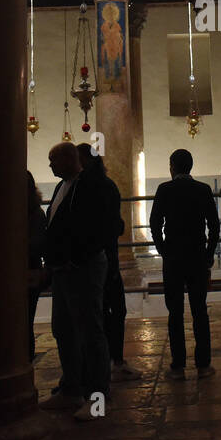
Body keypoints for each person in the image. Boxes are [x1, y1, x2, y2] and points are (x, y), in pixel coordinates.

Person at [43, 142, 112, 422]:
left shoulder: (90, 186)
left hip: (82, 269)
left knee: (89, 331)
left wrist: (77, 259)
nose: (50, 165)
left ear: (70, 159)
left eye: (53, 159)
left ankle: (98, 398)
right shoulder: (62, 187)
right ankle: (71, 388)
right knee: (63, 329)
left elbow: (98, 227)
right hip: (63, 270)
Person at [150, 148, 220, 379]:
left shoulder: (164, 190)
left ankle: (178, 366)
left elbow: (155, 223)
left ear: (172, 166)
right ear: (190, 166)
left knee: (175, 312)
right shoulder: (203, 190)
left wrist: (162, 249)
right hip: (198, 256)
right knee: (200, 310)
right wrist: (209, 253)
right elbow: (214, 225)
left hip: (173, 258)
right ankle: (203, 364)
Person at [76, 143, 140, 380]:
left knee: (96, 312)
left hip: (88, 260)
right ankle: (113, 362)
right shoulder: (105, 185)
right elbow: (116, 225)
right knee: (113, 310)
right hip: (105, 258)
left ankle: (95, 367)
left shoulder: (78, 187)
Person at [27, 172, 49, 362]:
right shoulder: (36, 212)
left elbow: (35, 245)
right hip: (30, 270)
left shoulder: (32, 214)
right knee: (25, 320)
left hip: (26, 271)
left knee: (22, 320)